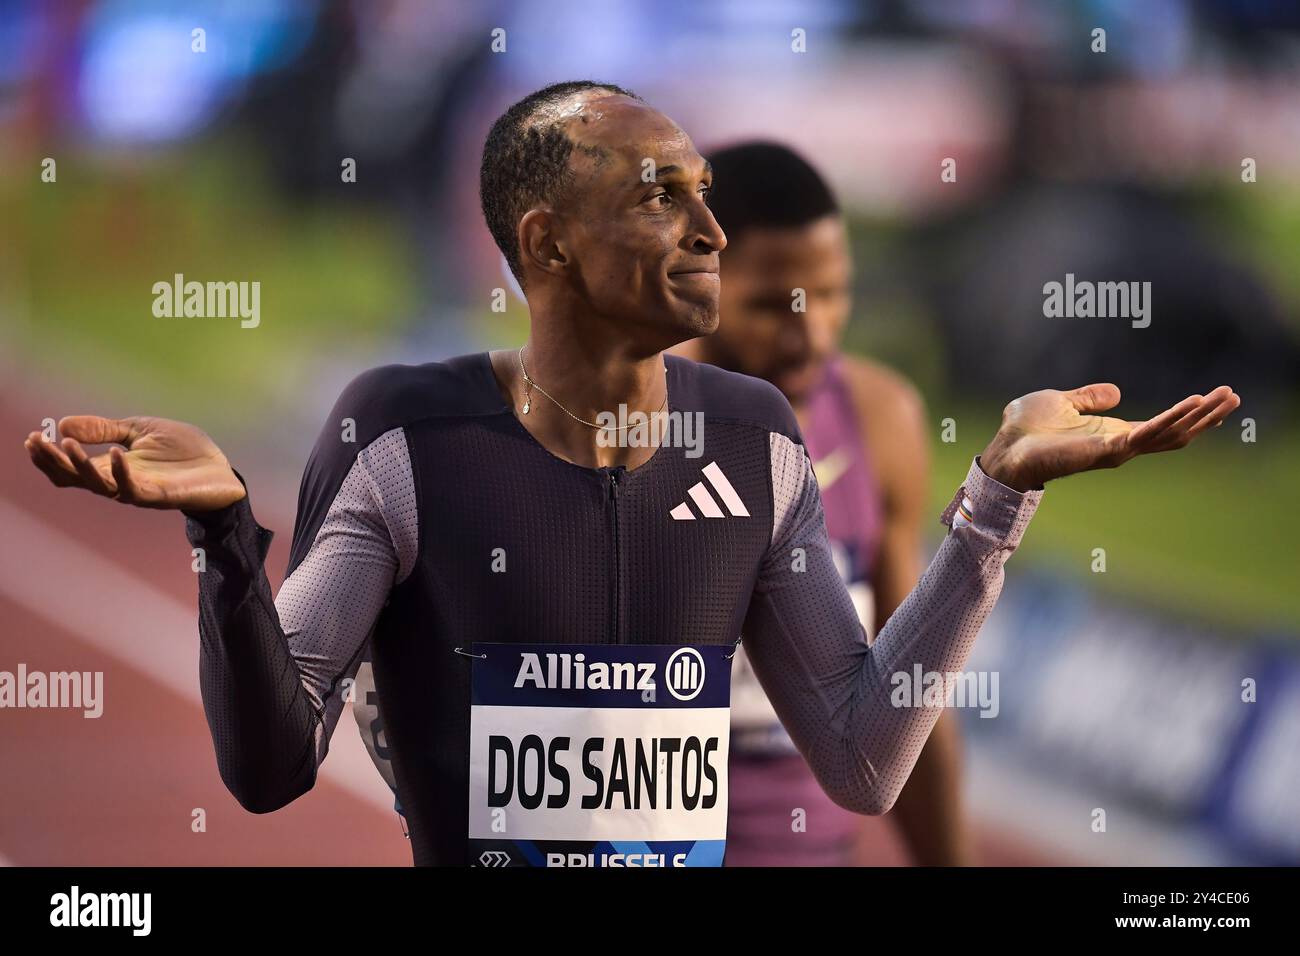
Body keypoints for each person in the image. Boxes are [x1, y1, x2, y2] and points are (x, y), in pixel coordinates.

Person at [23, 80, 1239, 867]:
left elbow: (862, 758)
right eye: (664, 199)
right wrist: (229, 537)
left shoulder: (756, 439)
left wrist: (996, 503)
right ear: (545, 241)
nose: (711, 232)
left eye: (706, 196)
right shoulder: (402, 434)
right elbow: (270, 765)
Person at [673, 141, 963, 866]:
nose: (812, 336)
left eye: (833, 294)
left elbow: (912, 694)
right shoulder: (625, 431)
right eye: (772, 306)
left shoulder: (880, 418)